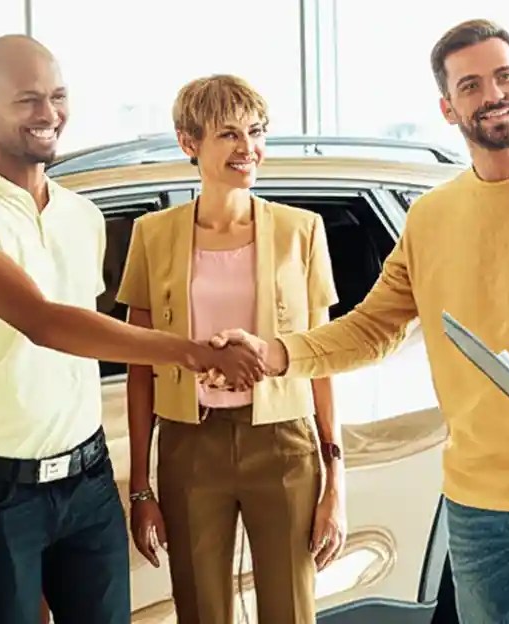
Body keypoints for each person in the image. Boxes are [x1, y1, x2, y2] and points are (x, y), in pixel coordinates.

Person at [212, 18, 509, 624]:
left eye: (504, 76)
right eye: (471, 86)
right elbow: (370, 329)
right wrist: (273, 354)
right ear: (447, 107)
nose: (492, 95)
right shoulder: (432, 219)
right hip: (475, 505)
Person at [0, 35, 264, 624]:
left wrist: (133, 487)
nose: (48, 115)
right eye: (27, 100)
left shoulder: (83, 217)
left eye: (57, 96)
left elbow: (92, 339)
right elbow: (45, 323)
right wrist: (194, 354)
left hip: (89, 480)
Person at [116, 74, 345, 624]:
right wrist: (141, 487)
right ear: (188, 143)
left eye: (257, 131)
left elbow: (321, 358)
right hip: (190, 446)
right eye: (228, 134)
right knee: (200, 610)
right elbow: (139, 366)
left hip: (285, 444)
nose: (248, 148)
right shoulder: (152, 234)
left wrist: (336, 482)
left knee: (290, 610)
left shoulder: (302, 231)